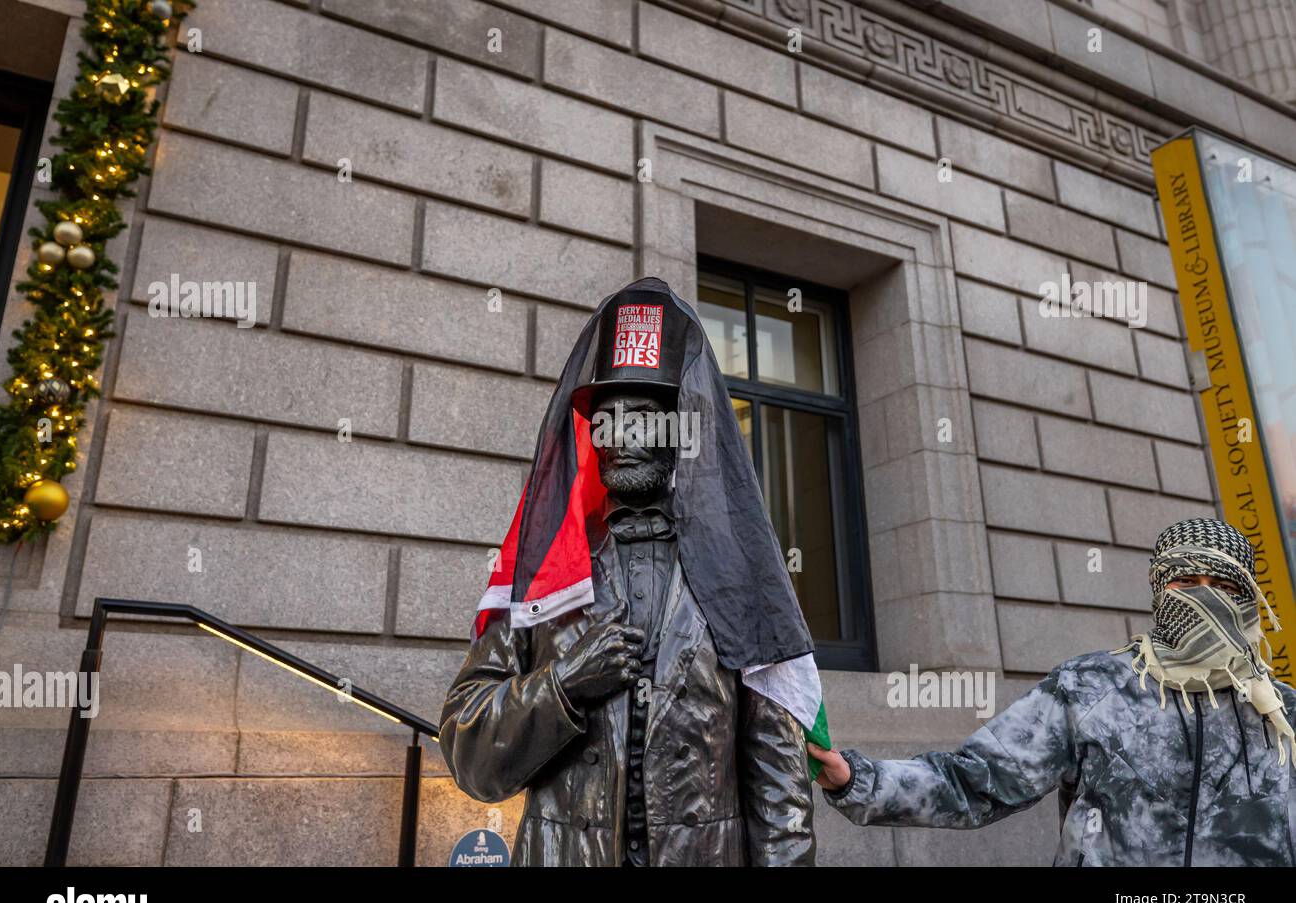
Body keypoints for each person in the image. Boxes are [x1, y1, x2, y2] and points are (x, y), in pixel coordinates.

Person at [439, 277, 821, 866]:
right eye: (609, 420)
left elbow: (780, 791)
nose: (624, 436)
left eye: (645, 417)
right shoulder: (546, 577)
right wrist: (563, 683)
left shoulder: (740, 582)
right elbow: (470, 756)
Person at [809, 517, 1296, 866]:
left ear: (1247, 595)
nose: (1202, 597)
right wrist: (857, 779)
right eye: (1186, 581)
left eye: (1221, 585)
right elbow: (978, 782)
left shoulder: (1285, 713)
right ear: (1159, 589)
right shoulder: (1091, 688)